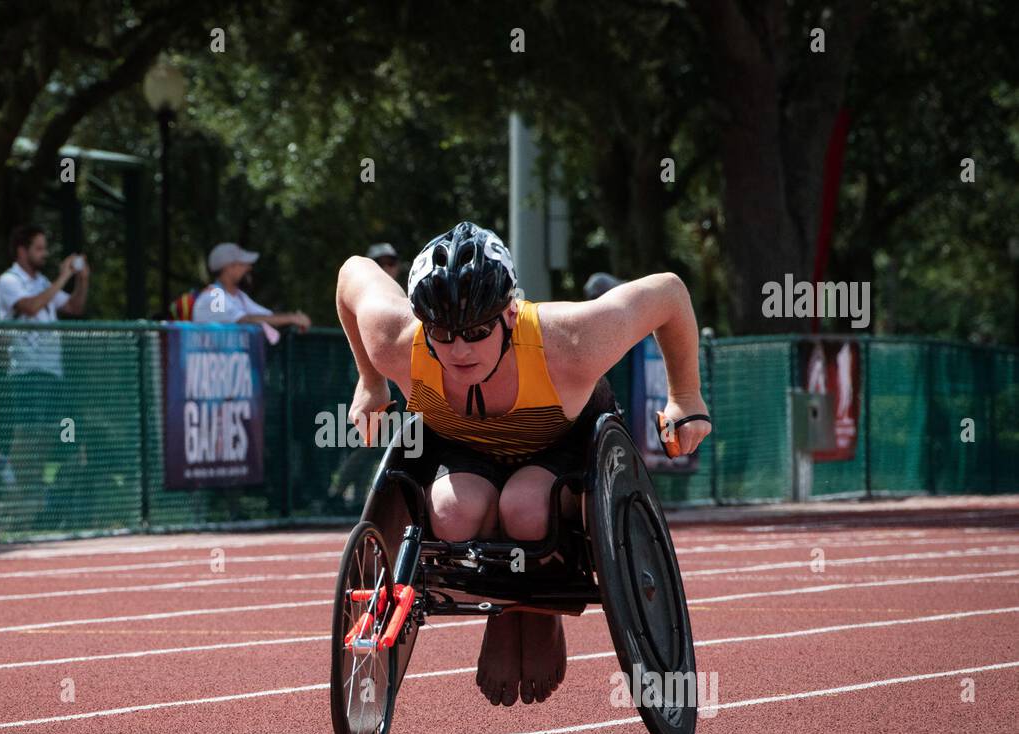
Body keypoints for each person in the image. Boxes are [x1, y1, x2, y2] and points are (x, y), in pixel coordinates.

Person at [335, 220, 711, 707]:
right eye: (443, 334)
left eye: (476, 331)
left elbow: (669, 293)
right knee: (450, 513)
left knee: (525, 507)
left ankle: (535, 610)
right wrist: (370, 381)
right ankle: (505, 604)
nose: (460, 350)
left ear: (510, 314)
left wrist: (686, 395)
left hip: (561, 444)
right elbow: (352, 273)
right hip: (461, 445)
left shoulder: (574, 340)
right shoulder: (394, 340)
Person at [0, 226, 90, 522]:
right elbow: (33, 307)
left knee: (60, 434)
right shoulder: (9, 281)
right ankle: (20, 503)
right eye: (38, 248)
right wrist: (64, 275)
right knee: (29, 436)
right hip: (26, 372)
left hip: (52, 372)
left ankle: (43, 503)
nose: (44, 254)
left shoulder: (43, 282)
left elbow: (73, 306)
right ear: (22, 250)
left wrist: (82, 280)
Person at [191, 242, 311, 337]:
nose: (249, 268)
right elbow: (243, 320)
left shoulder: (239, 296)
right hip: (212, 367)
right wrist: (291, 318)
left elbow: (266, 316)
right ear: (229, 268)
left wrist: (292, 318)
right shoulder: (213, 296)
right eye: (243, 264)